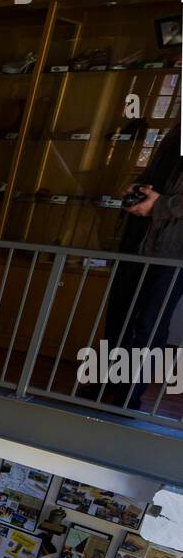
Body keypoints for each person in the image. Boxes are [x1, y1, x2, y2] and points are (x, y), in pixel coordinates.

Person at [101, 120, 183, 410]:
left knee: (149, 326)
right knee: (118, 320)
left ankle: (128, 397)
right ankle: (107, 384)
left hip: (172, 253)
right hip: (139, 243)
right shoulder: (176, 130)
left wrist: (158, 206)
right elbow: (159, 177)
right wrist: (140, 190)